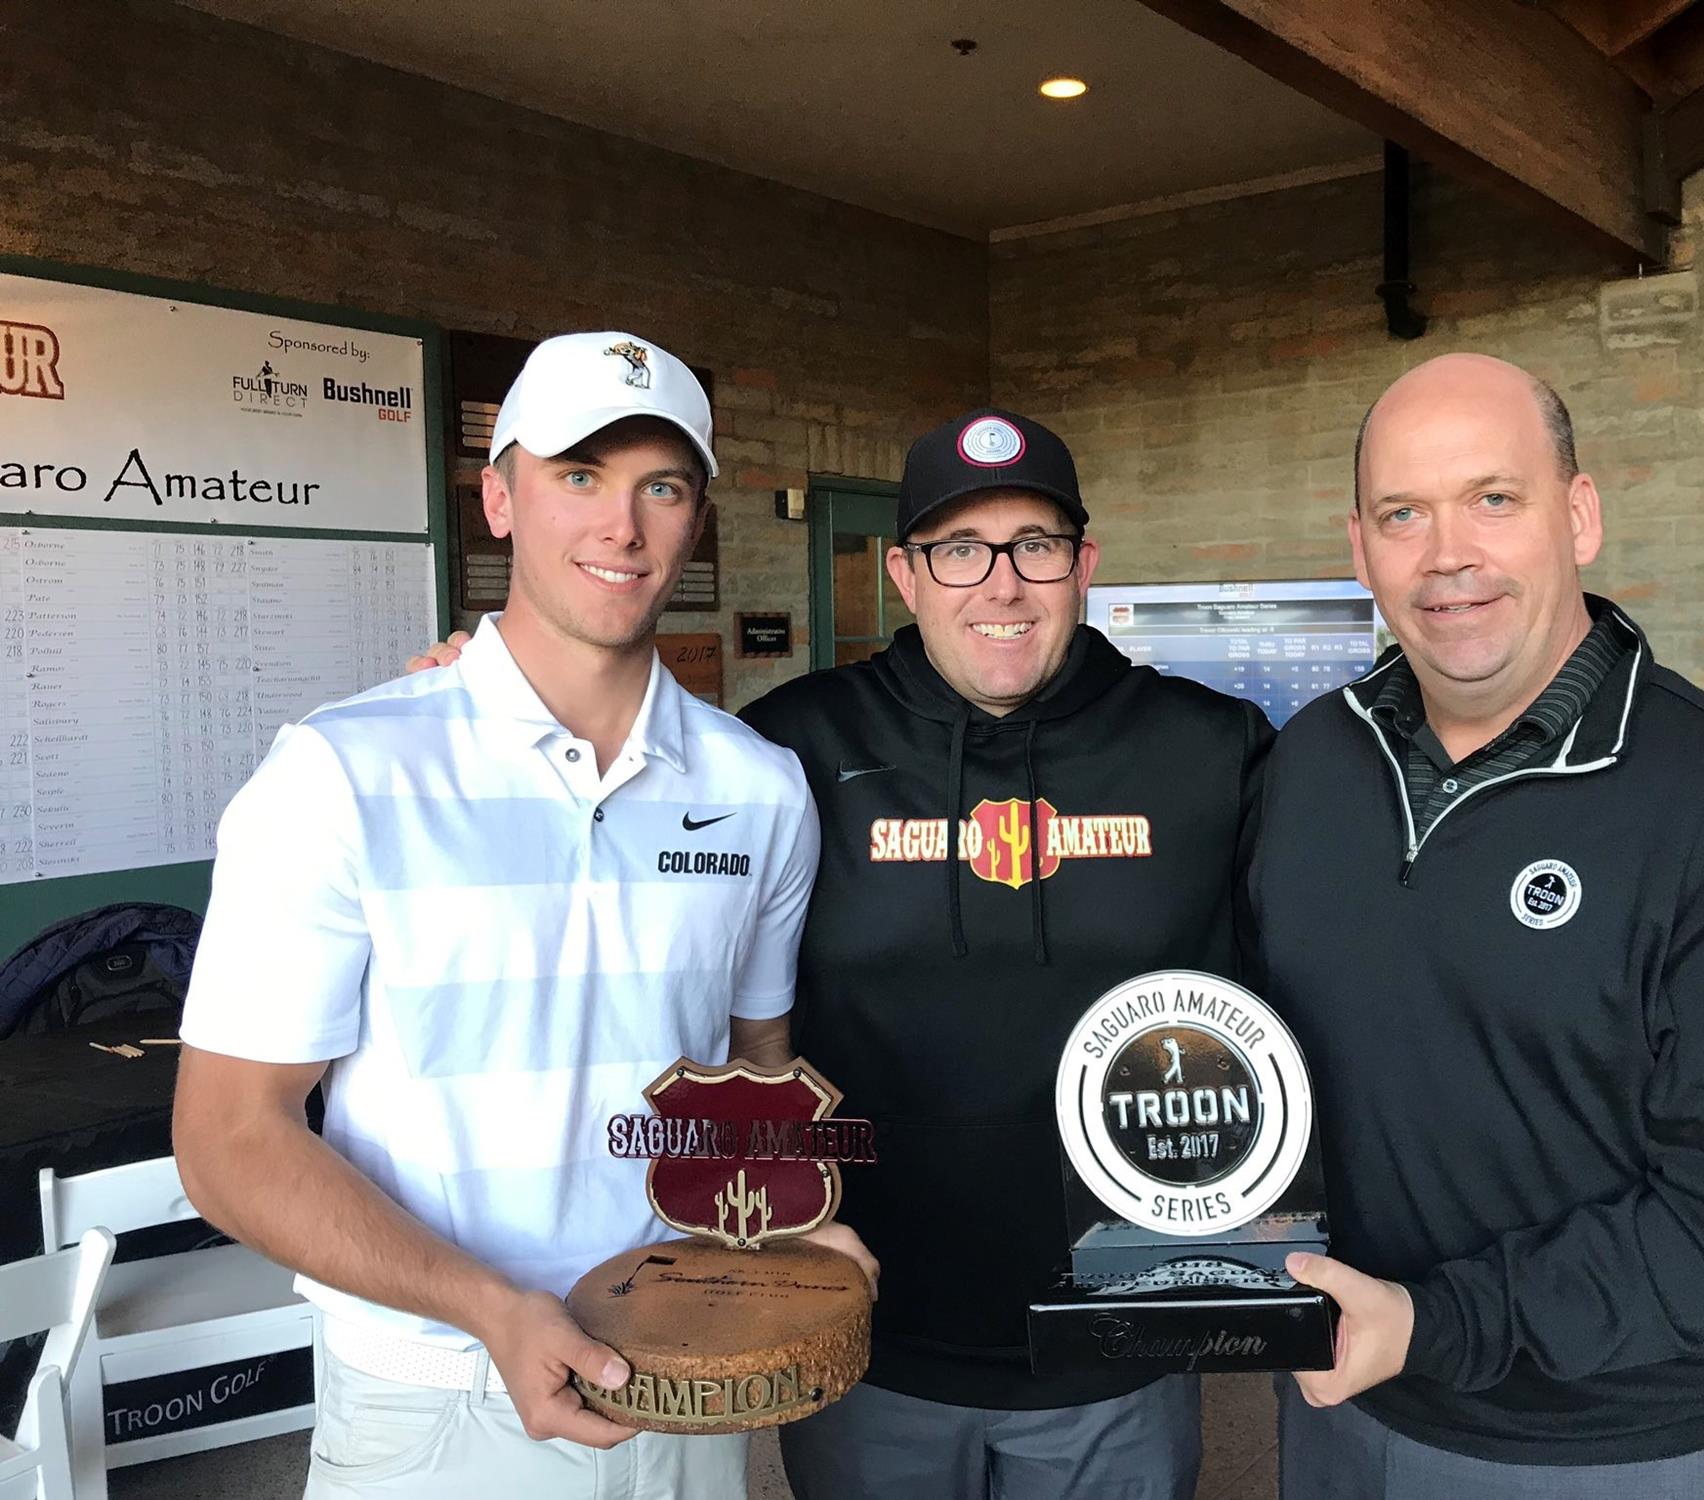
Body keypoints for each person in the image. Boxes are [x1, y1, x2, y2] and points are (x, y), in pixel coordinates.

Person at [412, 406, 1272, 1500]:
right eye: (958, 550)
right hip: (859, 1324)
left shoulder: (1215, 750)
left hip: (1120, 1335)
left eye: (1034, 548)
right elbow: (595, 804)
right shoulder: (792, 747)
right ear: (906, 575)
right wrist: (476, 700)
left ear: (1082, 567)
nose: (998, 584)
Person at [173, 331, 870, 1500]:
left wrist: (775, 1224)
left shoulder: (758, 786)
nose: (622, 526)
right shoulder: (341, 771)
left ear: (696, 519)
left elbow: (747, 1066)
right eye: (579, 476)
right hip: (434, 1397)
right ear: (499, 498)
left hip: (685, 1381)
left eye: (663, 486)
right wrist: (488, 1308)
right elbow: (231, 1135)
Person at [1251, 353, 1704, 1499]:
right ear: (1357, 548)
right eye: (1402, 513)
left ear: (1576, 515)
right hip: (1334, 1398)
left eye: (1494, 498)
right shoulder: (1307, 764)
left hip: (1602, 1444)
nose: (1447, 555)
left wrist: (1434, 1326)